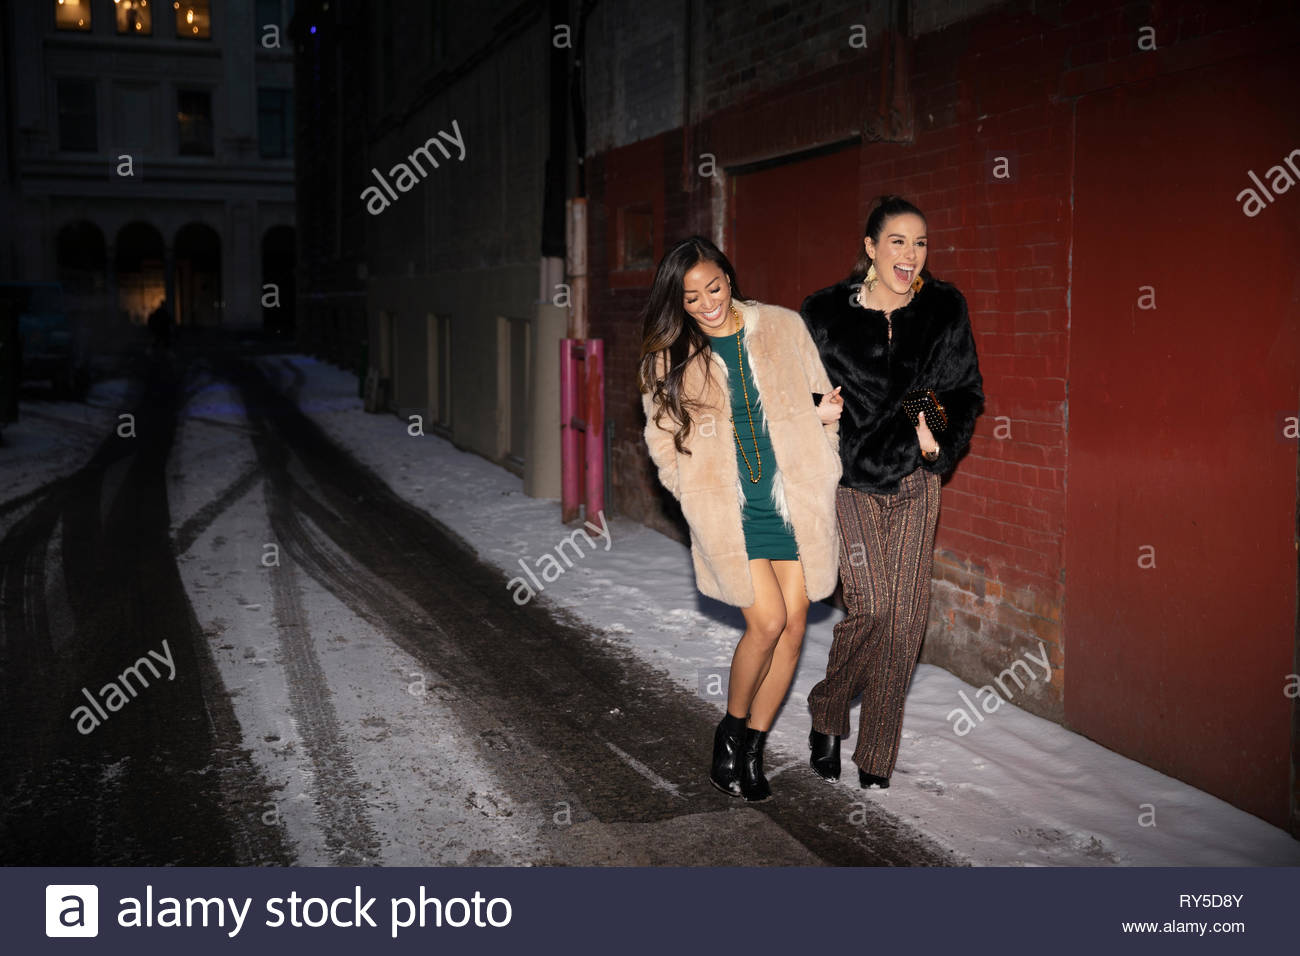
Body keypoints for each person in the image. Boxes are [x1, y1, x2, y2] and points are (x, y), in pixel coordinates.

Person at [639, 236, 843, 802]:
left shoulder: (780, 327)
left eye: (715, 287)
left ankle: (751, 745)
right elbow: (660, 441)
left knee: (797, 626)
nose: (707, 303)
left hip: (792, 502)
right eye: (691, 297)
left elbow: (821, 400)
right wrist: (693, 494)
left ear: (730, 277)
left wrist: (822, 431)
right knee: (767, 621)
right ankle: (729, 728)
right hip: (732, 512)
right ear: (676, 302)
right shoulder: (669, 357)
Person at [800, 195, 984, 789]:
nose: (911, 254)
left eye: (921, 242)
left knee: (905, 624)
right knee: (874, 609)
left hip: (915, 479)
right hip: (852, 479)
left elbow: (964, 392)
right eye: (898, 242)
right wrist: (819, 412)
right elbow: (792, 393)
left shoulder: (943, 310)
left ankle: (876, 754)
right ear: (871, 248)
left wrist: (935, 439)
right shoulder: (825, 314)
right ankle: (829, 710)